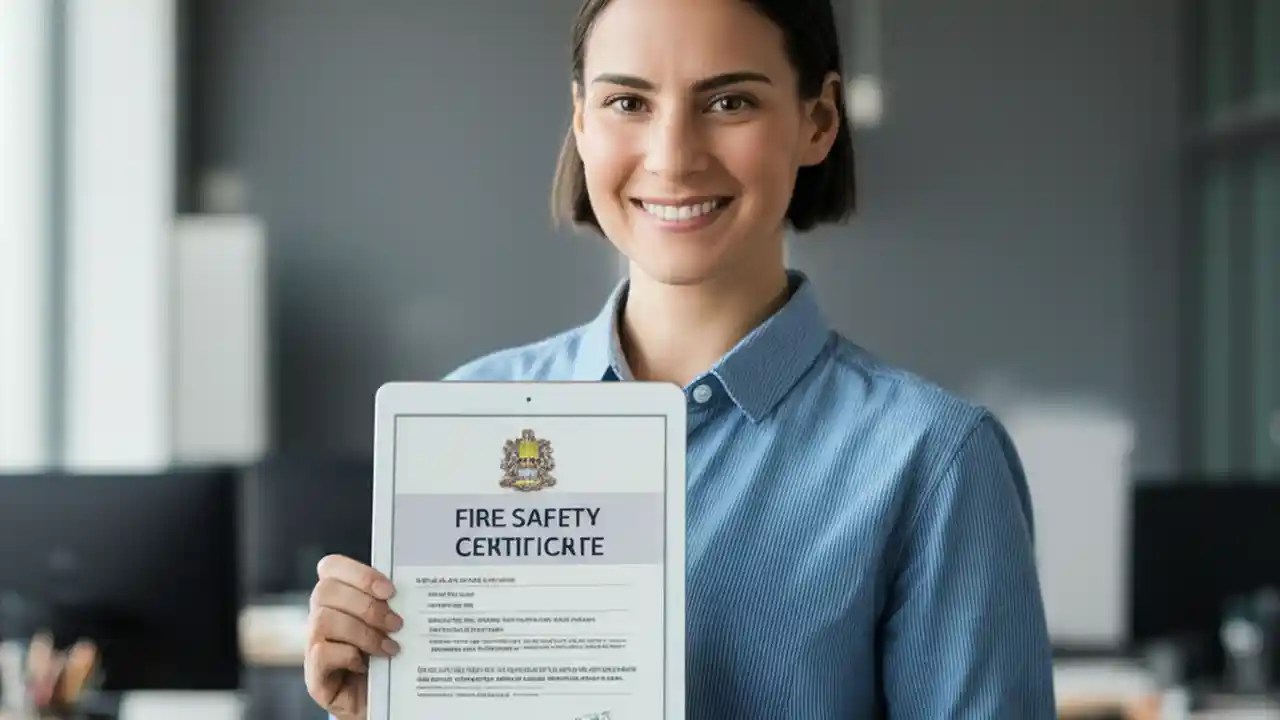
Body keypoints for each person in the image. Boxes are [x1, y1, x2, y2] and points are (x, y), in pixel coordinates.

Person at [305, 0, 1057, 716]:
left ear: (818, 120)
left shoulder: (932, 461)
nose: (672, 158)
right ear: (580, 121)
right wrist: (385, 708)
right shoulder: (468, 412)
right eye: (628, 103)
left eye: (729, 102)